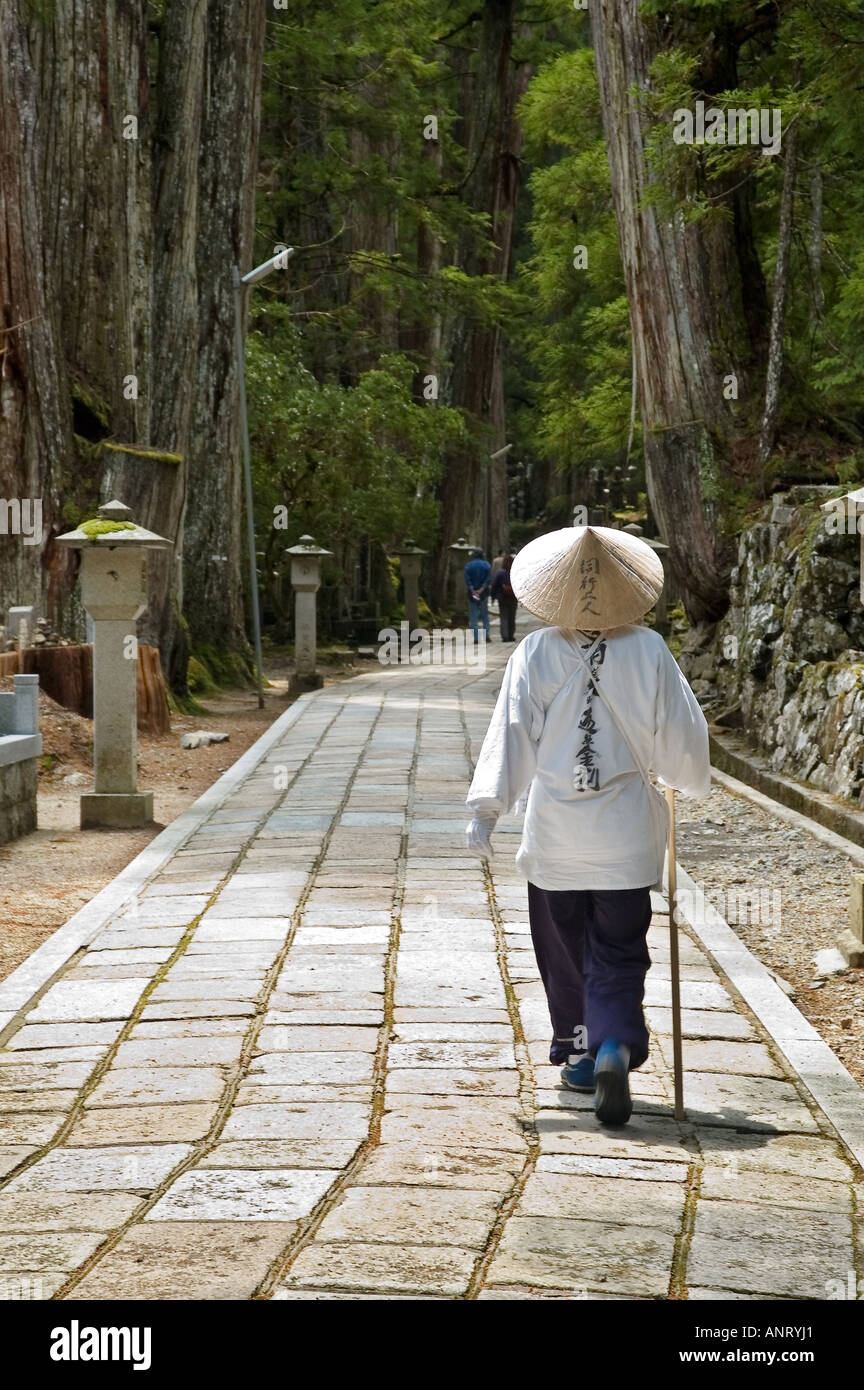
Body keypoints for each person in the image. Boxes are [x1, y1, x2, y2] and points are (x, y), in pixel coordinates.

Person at [464, 524, 710, 1126]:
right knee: (621, 948)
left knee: (561, 946)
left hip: (555, 838)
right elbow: (682, 736)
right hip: (627, 834)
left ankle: (580, 1051)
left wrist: (486, 809)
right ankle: (614, 1043)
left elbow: (512, 735)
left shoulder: (537, 651)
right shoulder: (649, 648)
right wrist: (679, 776)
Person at [464, 547, 491, 643]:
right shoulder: (486, 565)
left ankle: (476, 637)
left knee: (473, 615)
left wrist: (472, 589)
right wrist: (482, 588)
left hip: (472, 594)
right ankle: (487, 635)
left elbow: (467, 579)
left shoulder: (468, 566)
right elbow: (488, 579)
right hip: (483, 593)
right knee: (485, 615)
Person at [490, 552, 518, 641]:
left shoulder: (500, 573)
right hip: (513, 597)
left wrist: (493, 597)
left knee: (504, 617)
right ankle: (511, 635)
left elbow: (495, 585)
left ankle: (505, 636)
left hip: (502, 597)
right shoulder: (515, 572)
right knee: (512, 617)